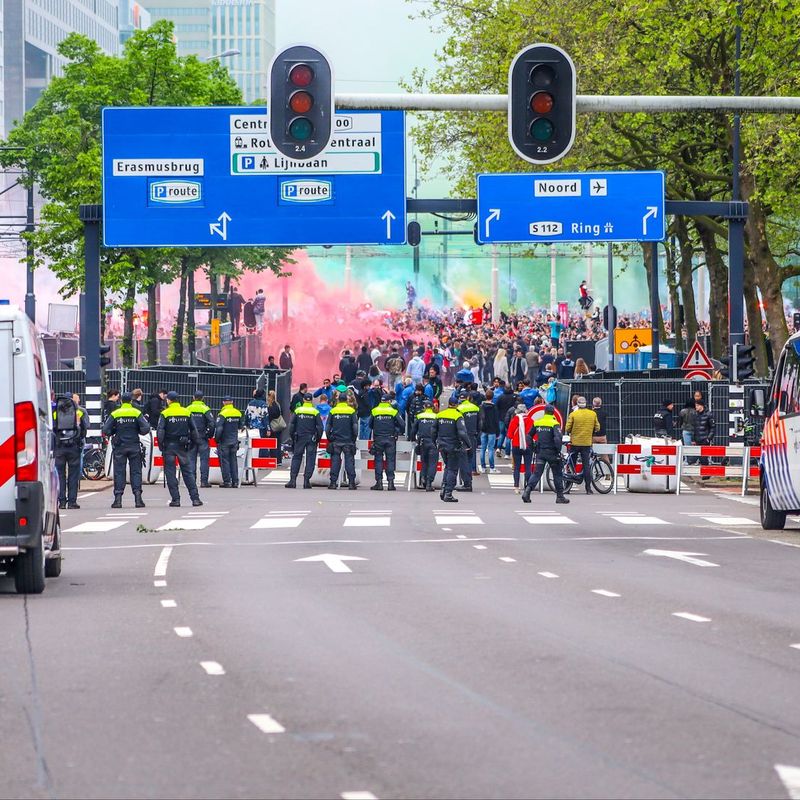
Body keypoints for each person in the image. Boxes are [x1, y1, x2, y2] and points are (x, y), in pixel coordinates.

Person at [104, 392, 151, 508]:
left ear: (121, 401)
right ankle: (138, 499)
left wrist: (114, 432)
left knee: (119, 472)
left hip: (120, 446)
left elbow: (106, 429)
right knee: (136, 472)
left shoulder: (116, 413)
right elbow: (146, 428)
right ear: (130, 401)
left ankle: (118, 500)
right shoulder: (136, 412)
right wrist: (137, 431)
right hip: (134, 445)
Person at [157, 392, 203, 508]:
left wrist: (161, 445)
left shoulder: (165, 413)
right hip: (183, 447)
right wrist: (195, 443)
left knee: (170, 473)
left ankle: (175, 500)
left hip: (169, 446)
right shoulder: (186, 412)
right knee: (188, 473)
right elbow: (193, 430)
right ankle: (195, 499)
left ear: (169, 400)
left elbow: (160, 431)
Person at [522, 404, 569, 504]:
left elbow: (529, 436)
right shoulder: (554, 423)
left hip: (541, 452)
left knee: (537, 473)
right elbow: (557, 438)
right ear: (553, 413)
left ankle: (527, 491)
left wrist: (533, 448)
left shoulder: (538, 422)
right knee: (557, 474)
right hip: (552, 453)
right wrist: (558, 450)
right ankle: (560, 496)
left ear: (544, 412)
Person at [53, 393, 88, 510]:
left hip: (59, 448)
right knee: (73, 475)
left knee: (60, 475)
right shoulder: (79, 412)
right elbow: (84, 428)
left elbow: (52, 429)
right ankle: (72, 502)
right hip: (73, 447)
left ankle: (61, 502)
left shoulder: (55, 413)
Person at [435, 396, 472, 503]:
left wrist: (435, 442)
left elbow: (433, 430)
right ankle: (448, 493)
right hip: (453, 446)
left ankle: (443, 488)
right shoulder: (458, 416)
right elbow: (462, 432)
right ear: (456, 405)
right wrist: (468, 444)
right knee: (452, 469)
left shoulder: (440, 414)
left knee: (447, 467)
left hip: (442, 445)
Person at [285, 394, 323, 489]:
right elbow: (320, 427)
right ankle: (307, 481)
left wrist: (292, 436)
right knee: (310, 459)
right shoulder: (315, 411)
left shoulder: (298, 411)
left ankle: (293, 480)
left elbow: (291, 425)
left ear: (303, 400)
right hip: (311, 438)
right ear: (311, 400)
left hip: (299, 437)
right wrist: (317, 438)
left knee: (297, 458)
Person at [565, 396, 599, 494]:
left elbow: (567, 428)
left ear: (577, 404)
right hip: (586, 443)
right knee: (586, 465)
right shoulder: (592, 414)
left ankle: (568, 487)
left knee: (571, 464)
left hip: (575, 442)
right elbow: (597, 427)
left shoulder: (573, 414)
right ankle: (588, 488)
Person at [369, 393, 404, 491]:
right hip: (390, 438)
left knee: (378, 460)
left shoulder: (375, 411)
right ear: (389, 401)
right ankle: (390, 483)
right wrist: (397, 431)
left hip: (378, 438)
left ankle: (379, 483)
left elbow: (370, 425)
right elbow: (402, 424)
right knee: (390, 460)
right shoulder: (393, 411)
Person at [325, 395, 359, 490]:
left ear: (338, 400)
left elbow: (327, 427)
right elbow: (355, 427)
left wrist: (329, 438)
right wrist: (353, 438)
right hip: (348, 440)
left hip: (336, 440)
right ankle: (351, 483)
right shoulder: (351, 411)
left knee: (335, 461)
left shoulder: (333, 411)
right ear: (347, 400)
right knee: (349, 461)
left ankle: (333, 483)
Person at [186, 391, 216, 489]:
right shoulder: (205, 409)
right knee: (204, 460)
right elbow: (212, 424)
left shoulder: (188, 409)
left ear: (193, 397)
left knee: (191, 460)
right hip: (203, 437)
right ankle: (204, 481)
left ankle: (192, 481)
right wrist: (209, 435)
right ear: (203, 398)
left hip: (191, 437)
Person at [215, 396, 244, 488]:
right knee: (233, 461)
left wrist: (216, 439)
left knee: (225, 462)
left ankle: (227, 481)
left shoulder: (222, 414)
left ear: (223, 402)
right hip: (234, 441)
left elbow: (219, 429)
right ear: (232, 402)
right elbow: (241, 427)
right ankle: (235, 481)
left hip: (224, 441)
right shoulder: (237, 413)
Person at [411, 399, 439, 491]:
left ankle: (423, 478)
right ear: (432, 407)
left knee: (424, 462)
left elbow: (413, 430)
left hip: (422, 442)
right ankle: (429, 483)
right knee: (432, 463)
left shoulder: (420, 416)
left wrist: (412, 439)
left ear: (424, 407)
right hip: (433, 442)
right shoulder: (436, 416)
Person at [507, 403, 534, 493]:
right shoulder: (530, 420)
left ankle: (516, 487)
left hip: (516, 445)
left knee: (517, 467)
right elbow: (534, 435)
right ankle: (527, 487)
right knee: (528, 467)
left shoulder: (515, 420)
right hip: (528, 445)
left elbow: (509, 435)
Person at [456, 390, 481, 489]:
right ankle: (469, 480)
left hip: (463, 437)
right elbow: (480, 423)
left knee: (463, 460)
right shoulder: (476, 408)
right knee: (471, 458)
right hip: (473, 435)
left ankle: (466, 482)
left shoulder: (459, 409)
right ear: (468, 398)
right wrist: (477, 435)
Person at [693, 400, 715, 478]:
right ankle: (706, 473)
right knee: (701, 457)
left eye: (697, 405)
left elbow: (712, 428)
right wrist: (694, 439)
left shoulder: (708, 414)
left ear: (701, 406)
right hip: (698, 438)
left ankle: (706, 473)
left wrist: (708, 438)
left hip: (704, 439)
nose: (696, 407)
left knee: (704, 457)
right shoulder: (696, 415)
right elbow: (695, 428)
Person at [478, 389, 499, 473]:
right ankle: (492, 468)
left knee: (483, 448)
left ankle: (483, 467)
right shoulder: (494, 407)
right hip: (492, 430)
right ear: (492, 397)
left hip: (483, 429)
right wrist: (498, 432)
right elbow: (496, 420)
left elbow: (479, 419)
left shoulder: (481, 406)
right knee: (490, 449)